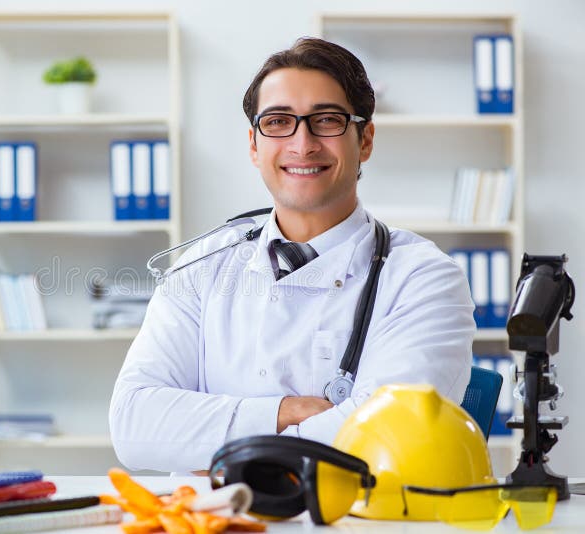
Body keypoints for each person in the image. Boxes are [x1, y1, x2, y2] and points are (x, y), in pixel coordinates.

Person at [109, 37, 475, 473]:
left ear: (366, 139)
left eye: (326, 120)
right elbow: (133, 426)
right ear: (254, 145)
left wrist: (214, 445)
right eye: (279, 121)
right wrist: (283, 412)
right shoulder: (201, 266)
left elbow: (392, 437)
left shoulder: (424, 278)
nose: (303, 144)